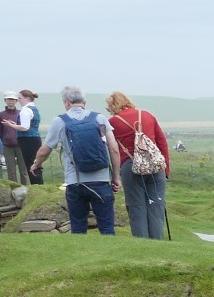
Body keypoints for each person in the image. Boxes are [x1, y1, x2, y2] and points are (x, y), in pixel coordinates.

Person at [30, 86, 123, 235]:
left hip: (75, 181)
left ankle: (80, 255)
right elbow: (114, 149)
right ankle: (110, 255)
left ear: (66, 102)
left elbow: (44, 151)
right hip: (101, 180)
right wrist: (116, 177)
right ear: (84, 102)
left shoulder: (59, 121)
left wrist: (36, 165)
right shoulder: (99, 118)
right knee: (106, 227)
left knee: (78, 227)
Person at [106, 91, 170, 240]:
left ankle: (142, 243)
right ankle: (157, 242)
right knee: (156, 206)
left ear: (113, 106)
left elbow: (111, 148)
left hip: (130, 166)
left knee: (136, 207)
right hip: (156, 166)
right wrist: (165, 170)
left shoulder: (113, 122)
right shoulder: (147, 115)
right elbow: (162, 143)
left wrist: (114, 175)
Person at [7, 90, 43, 184]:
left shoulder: (26, 110)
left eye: (20, 98)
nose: (19, 101)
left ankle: (36, 185)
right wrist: (16, 124)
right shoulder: (34, 108)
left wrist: (11, 125)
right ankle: (39, 185)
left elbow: (25, 128)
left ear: (27, 98)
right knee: (36, 163)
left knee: (30, 164)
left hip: (27, 140)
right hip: (35, 138)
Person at [0, 94, 24, 184]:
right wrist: (4, 140)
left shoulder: (20, 113)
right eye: (9, 99)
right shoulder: (1, 114)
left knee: (23, 169)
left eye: (13, 100)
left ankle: (26, 188)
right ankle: (13, 188)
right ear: (5, 101)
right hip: (7, 145)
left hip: (20, 144)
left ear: (16, 101)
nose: (11, 101)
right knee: (11, 170)